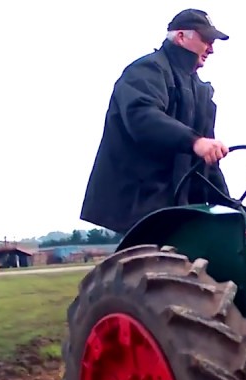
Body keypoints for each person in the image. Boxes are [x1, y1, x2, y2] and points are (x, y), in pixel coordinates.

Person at [80, 9, 234, 235]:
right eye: (206, 40)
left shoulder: (201, 91)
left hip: (177, 206)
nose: (211, 49)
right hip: (141, 201)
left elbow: (207, 166)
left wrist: (231, 212)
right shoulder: (146, 71)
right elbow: (142, 117)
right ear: (181, 37)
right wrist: (195, 141)